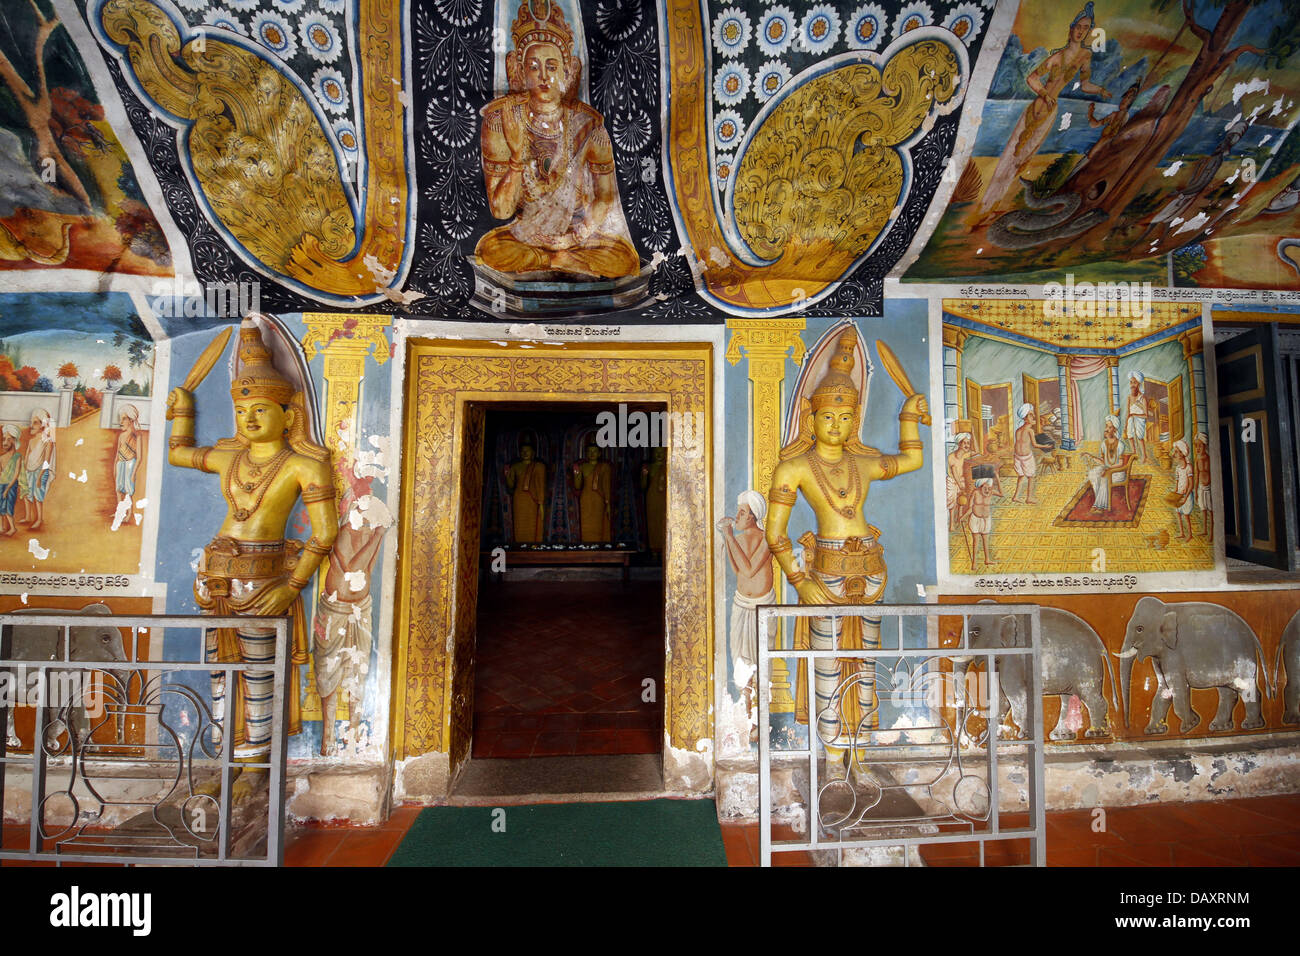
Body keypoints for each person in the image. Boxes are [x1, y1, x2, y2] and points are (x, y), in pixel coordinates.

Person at [167, 319, 338, 799]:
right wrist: (182, 410)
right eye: (243, 410)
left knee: (261, 672)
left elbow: (325, 531)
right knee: (221, 671)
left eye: (261, 409)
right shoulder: (229, 457)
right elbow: (178, 454)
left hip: (264, 578)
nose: (250, 418)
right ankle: (226, 759)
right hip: (216, 575)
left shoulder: (306, 462)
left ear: (288, 414)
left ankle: (256, 764)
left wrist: (292, 584)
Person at [765, 328, 928, 780]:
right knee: (828, 666)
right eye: (828, 416)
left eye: (845, 416)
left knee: (866, 664)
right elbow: (775, 534)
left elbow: (910, 461)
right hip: (826, 574)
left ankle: (860, 752)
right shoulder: (794, 467)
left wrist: (907, 416)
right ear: (810, 416)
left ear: (853, 418)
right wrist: (801, 582)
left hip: (871, 570)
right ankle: (833, 758)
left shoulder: (863, 462)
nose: (836, 425)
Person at [475, 0, 638, 278]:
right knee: (488, 250)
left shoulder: (589, 126)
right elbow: (501, 211)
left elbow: (605, 197)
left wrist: (573, 239)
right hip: (525, 236)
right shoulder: (500, 121)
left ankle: (560, 258)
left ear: (568, 71)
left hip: (575, 238)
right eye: (534, 67)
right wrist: (517, 158)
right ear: (519, 70)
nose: (544, 77)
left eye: (552, 67)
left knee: (624, 258)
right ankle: (554, 262)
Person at [977, 2, 1110, 217]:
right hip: (1039, 107)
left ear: (1088, 32)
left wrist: (1101, 90)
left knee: (1023, 159)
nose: (1080, 31)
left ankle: (995, 203)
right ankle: (987, 204)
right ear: (1071, 28)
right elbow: (1032, 78)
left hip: (1051, 112)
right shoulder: (1057, 57)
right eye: (1078, 26)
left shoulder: (1084, 57)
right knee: (1013, 153)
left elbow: (1085, 85)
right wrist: (1045, 94)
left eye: (1085, 28)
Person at [314, 461, 393, 757]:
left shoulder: (367, 533)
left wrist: (378, 536)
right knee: (329, 673)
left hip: (360, 608)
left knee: (357, 671)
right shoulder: (346, 532)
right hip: (335, 612)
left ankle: (354, 735)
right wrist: (377, 536)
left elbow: (368, 573)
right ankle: (327, 738)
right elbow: (354, 571)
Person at [717, 490, 774, 739]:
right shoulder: (738, 538)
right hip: (741, 605)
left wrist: (729, 535)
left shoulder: (767, 539)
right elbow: (736, 567)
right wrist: (728, 537)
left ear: (754, 517)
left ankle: (760, 720)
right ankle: (746, 718)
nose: (738, 516)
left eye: (742, 512)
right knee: (740, 662)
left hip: (762, 607)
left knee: (762, 663)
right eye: (738, 511)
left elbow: (750, 570)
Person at [18, 408, 55, 530]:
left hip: (40, 471)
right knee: (27, 493)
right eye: (31, 422)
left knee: (37, 495)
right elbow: (26, 458)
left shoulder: (48, 441)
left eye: (35, 423)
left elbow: (46, 461)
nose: (31, 426)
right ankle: (28, 516)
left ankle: (39, 519)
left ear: (42, 425)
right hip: (29, 470)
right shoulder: (31, 441)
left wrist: (40, 476)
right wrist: (23, 473)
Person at [505, 436, 547, 543]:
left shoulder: (539, 466)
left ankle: (533, 545)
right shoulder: (515, 466)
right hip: (519, 499)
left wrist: (541, 503)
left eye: (527, 451)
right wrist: (507, 475)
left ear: (533, 452)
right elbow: (510, 485)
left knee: (533, 523)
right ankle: (519, 545)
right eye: (522, 451)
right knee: (520, 523)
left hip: (532, 499)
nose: (525, 453)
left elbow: (540, 485)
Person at [571, 436, 612, 542]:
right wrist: (576, 474)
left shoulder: (604, 467)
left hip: (599, 499)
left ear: (599, 453)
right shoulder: (583, 466)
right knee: (586, 523)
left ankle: (599, 545)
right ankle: (587, 545)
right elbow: (577, 486)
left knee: (598, 523)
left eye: (594, 451)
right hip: (585, 498)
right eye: (589, 451)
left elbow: (606, 486)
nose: (592, 454)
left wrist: (608, 503)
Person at [1084, 414, 1126, 512]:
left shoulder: (1120, 444)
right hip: (1107, 468)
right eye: (1106, 426)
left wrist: (1108, 469)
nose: (1106, 429)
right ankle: (1101, 501)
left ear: (1115, 430)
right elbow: (1103, 461)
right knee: (1093, 474)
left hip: (1118, 471)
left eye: (1110, 427)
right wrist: (1091, 456)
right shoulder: (1103, 444)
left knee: (1104, 478)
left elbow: (1121, 463)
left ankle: (1099, 506)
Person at [1011, 403, 1052, 503]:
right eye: (1030, 415)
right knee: (1031, 477)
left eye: (1032, 414)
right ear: (1025, 418)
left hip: (1017, 457)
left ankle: (1016, 496)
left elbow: (1018, 444)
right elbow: (1034, 445)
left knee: (1021, 476)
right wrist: (1045, 446)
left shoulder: (1018, 430)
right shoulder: (1029, 431)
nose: (1033, 416)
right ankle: (1029, 498)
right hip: (1026, 457)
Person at [966, 477, 1001, 567]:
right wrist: (963, 516)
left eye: (989, 488)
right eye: (985, 488)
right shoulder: (975, 493)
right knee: (976, 541)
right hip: (975, 519)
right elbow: (970, 507)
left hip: (986, 519)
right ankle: (974, 562)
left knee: (985, 540)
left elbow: (1001, 494)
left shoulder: (991, 492)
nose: (987, 490)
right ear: (980, 487)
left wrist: (997, 478)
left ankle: (987, 559)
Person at [114, 404, 142, 504]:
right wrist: (115, 467)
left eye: (124, 419)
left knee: (128, 490)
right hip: (120, 464)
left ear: (131, 420)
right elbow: (117, 453)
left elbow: (139, 457)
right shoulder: (121, 436)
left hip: (130, 465)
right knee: (118, 489)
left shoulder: (137, 436)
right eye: (121, 419)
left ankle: (129, 514)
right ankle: (119, 512)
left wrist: (133, 473)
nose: (121, 422)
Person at [947, 432, 973, 529]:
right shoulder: (951, 457)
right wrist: (960, 485)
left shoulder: (967, 455)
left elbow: (976, 454)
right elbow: (954, 473)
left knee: (962, 499)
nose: (967, 445)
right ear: (959, 444)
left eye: (968, 443)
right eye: (964, 443)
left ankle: (959, 518)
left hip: (962, 480)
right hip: (952, 481)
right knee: (952, 502)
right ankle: (951, 524)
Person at [1124, 371, 1150, 464]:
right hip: (1131, 419)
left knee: (1139, 437)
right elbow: (1128, 412)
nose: (1132, 385)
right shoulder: (1129, 397)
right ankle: (1134, 453)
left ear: (1138, 384)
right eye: (1131, 382)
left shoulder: (1142, 398)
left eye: (1134, 382)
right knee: (1130, 436)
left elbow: (1146, 415)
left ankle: (1144, 456)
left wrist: (1135, 415)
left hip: (1140, 420)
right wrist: (1126, 424)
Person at [1171, 439, 1194, 541]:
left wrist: (1186, 497)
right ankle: (1182, 533)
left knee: (1186, 515)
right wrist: (1175, 493)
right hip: (1179, 495)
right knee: (1178, 514)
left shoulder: (1188, 468)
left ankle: (1190, 534)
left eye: (1176, 451)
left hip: (1187, 496)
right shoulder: (1178, 469)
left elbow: (1191, 484)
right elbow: (1177, 482)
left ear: (1182, 453)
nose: (1174, 454)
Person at [0, 424, 21, 536]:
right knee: (1, 506)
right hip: (1, 484)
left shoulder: (17, 456)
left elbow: (16, 474)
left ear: (14, 440)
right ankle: (2, 527)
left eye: (9, 439)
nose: (5, 442)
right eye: (4, 439)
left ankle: (12, 528)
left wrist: (7, 488)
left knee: (9, 507)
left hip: (11, 485)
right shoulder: (1, 458)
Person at [1193, 432, 1213, 539]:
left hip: (1209, 488)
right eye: (1196, 446)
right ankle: (1205, 530)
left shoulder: (1209, 458)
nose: (1198, 448)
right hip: (1201, 487)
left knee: (1211, 511)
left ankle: (1212, 533)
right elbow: (1196, 476)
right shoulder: (1197, 459)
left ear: (1205, 445)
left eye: (1200, 445)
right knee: (1203, 510)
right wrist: (1195, 491)